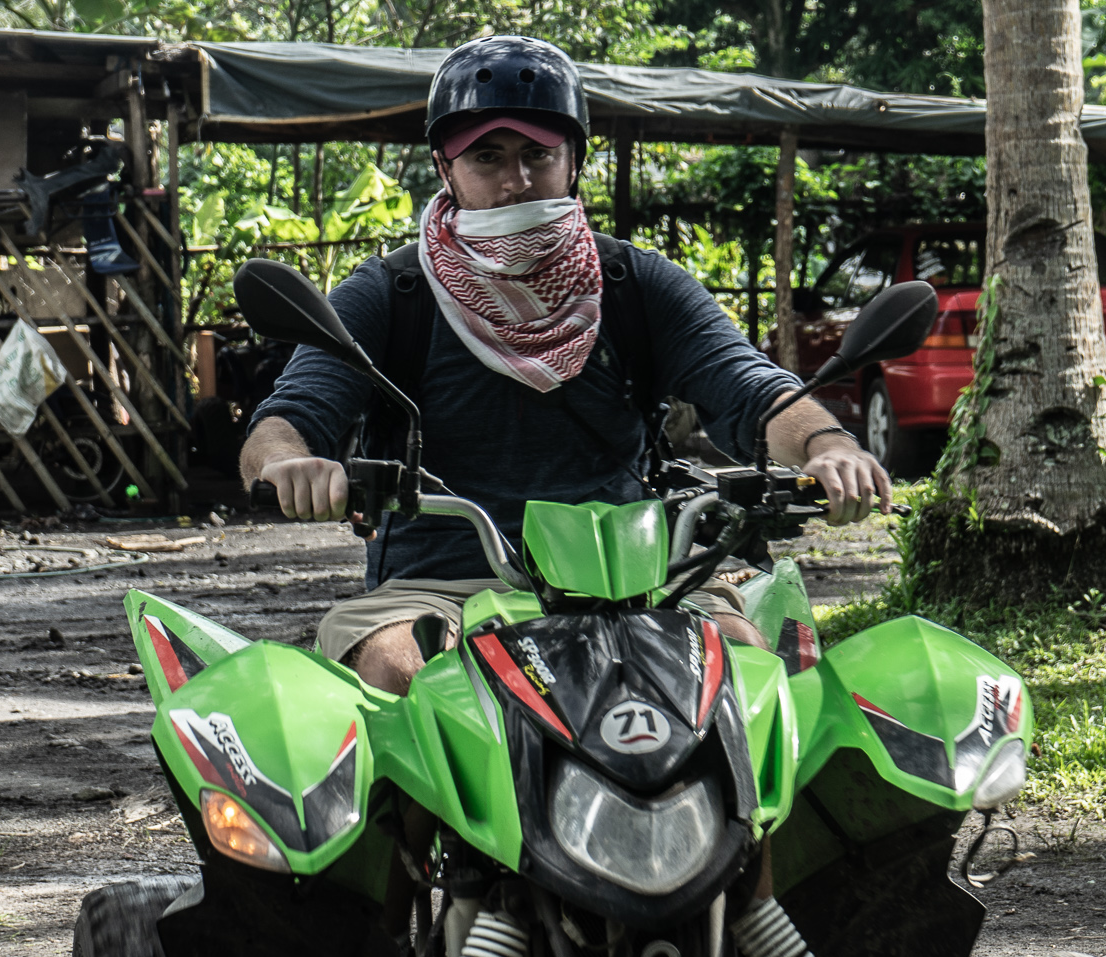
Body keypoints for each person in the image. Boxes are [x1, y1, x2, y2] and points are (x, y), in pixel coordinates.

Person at [240, 35, 889, 694]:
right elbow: (286, 421)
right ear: (446, 168)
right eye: (486, 157)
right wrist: (290, 463)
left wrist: (826, 444)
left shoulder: (636, 283)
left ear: (573, 161)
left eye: (537, 155)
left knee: (746, 669)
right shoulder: (389, 293)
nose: (515, 180)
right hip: (440, 584)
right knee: (397, 668)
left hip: (637, 572)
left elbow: (749, 386)